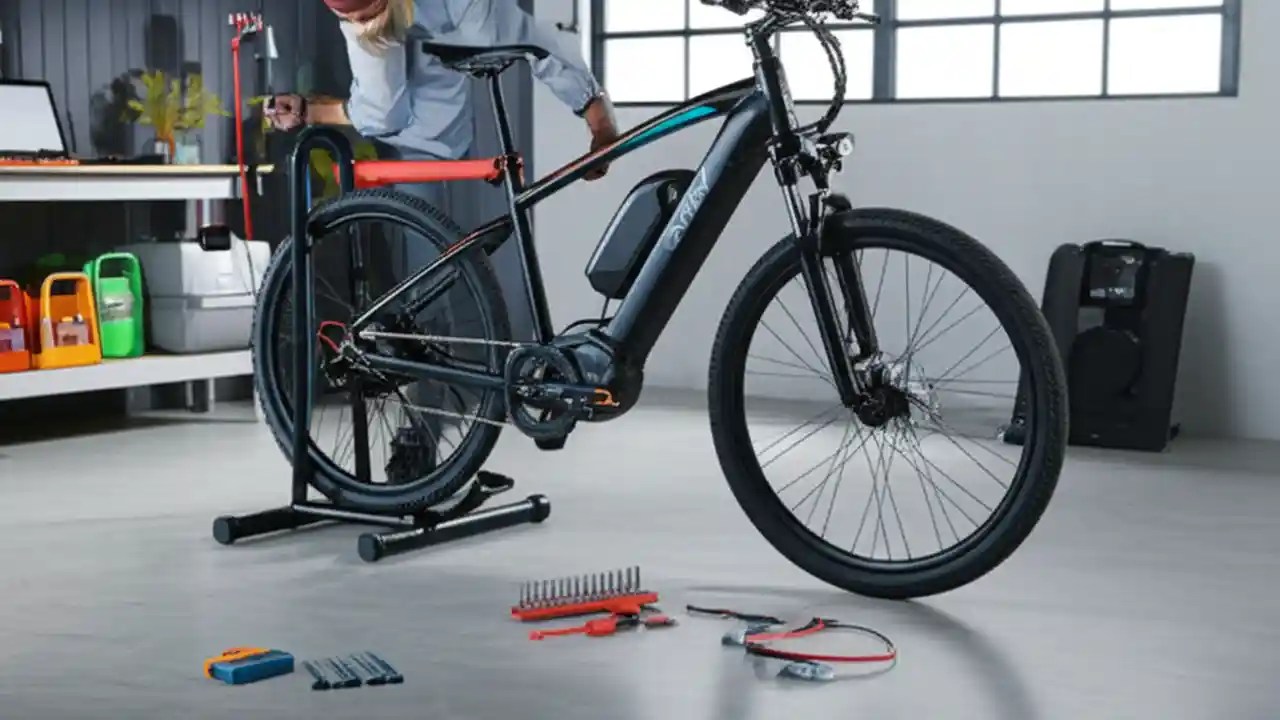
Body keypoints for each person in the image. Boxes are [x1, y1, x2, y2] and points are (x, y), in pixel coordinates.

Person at [266, 0, 620, 485]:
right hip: (420, 150)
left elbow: (531, 38)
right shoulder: (380, 23)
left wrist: (599, 118)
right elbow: (384, 111)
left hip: (450, 141)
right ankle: (420, 440)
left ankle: (447, 426)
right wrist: (314, 106)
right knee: (427, 307)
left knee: (458, 296)